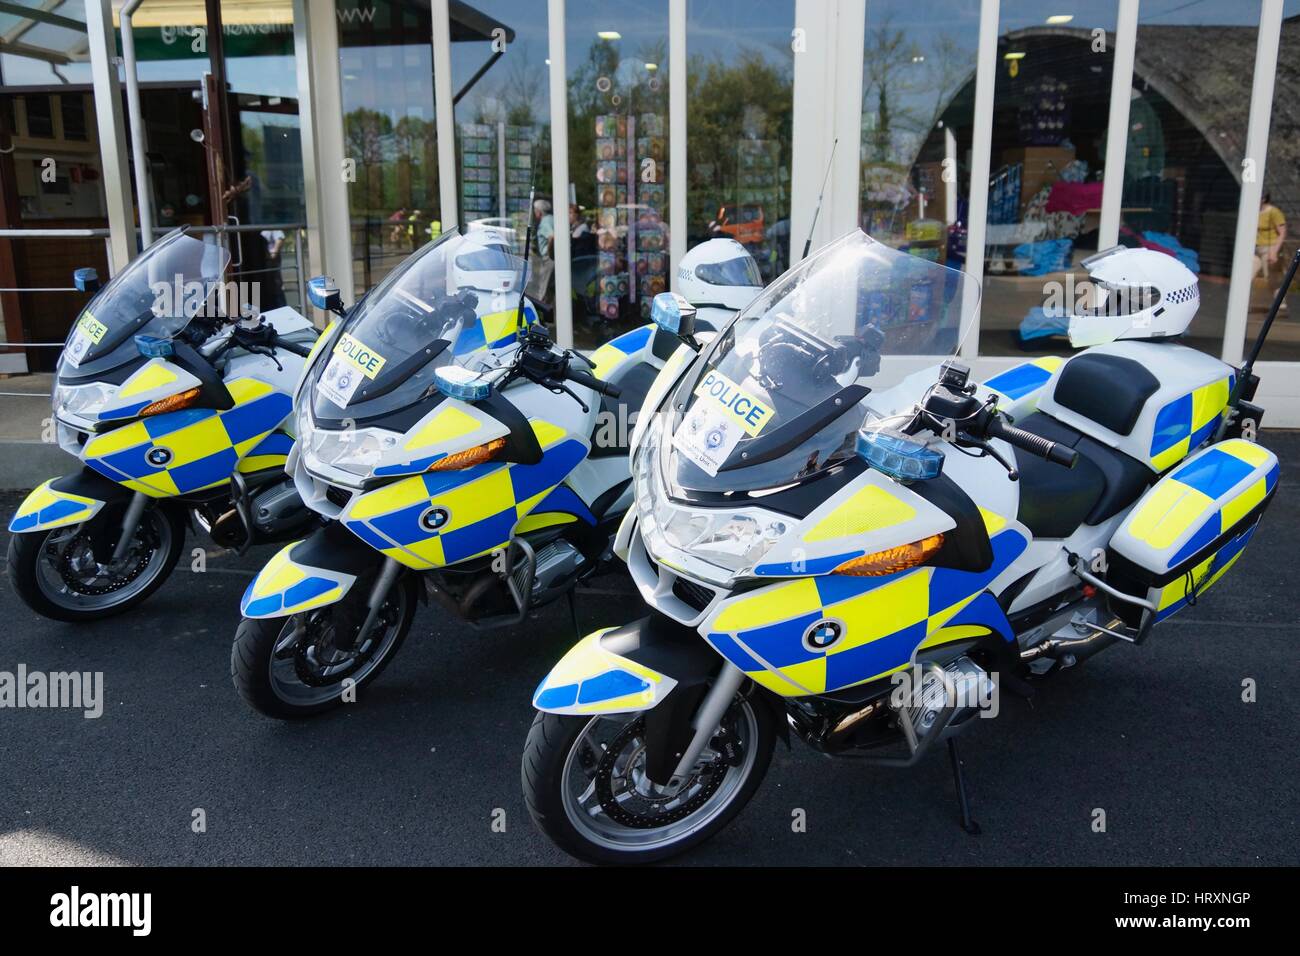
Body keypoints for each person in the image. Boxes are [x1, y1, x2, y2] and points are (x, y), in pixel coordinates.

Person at [1256, 193, 1288, 310]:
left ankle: (1281, 304)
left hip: (1268, 248)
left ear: (1264, 199)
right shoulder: (1253, 211)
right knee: (1246, 275)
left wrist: (1274, 251)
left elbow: (1282, 232)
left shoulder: (1273, 212)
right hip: (1255, 249)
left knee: (1271, 277)